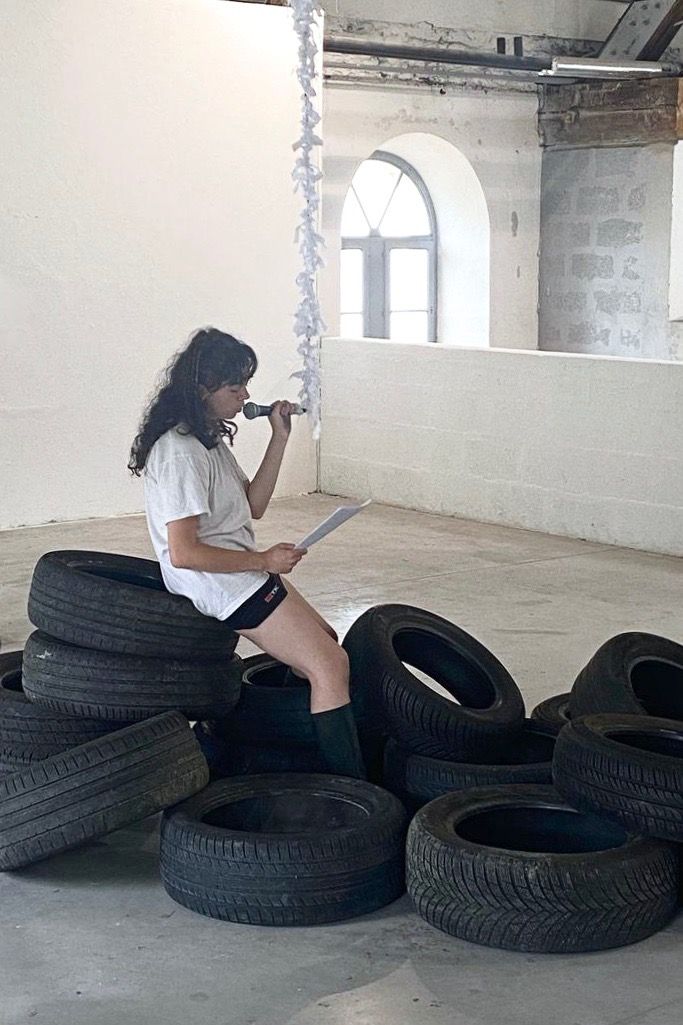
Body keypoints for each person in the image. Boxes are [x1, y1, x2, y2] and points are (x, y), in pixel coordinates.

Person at [128, 327, 365, 778]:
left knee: (327, 642)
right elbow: (183, 552)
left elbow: (254, 504)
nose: (244, 397)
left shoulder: (208, 440)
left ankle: (299, 748)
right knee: (330, 665)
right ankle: (352, 790)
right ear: (202, 389)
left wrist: (280, 436)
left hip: (242, 573)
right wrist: (263, 562)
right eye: (235, 388)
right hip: (220, 582)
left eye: (245, 387)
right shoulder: (180, 452)